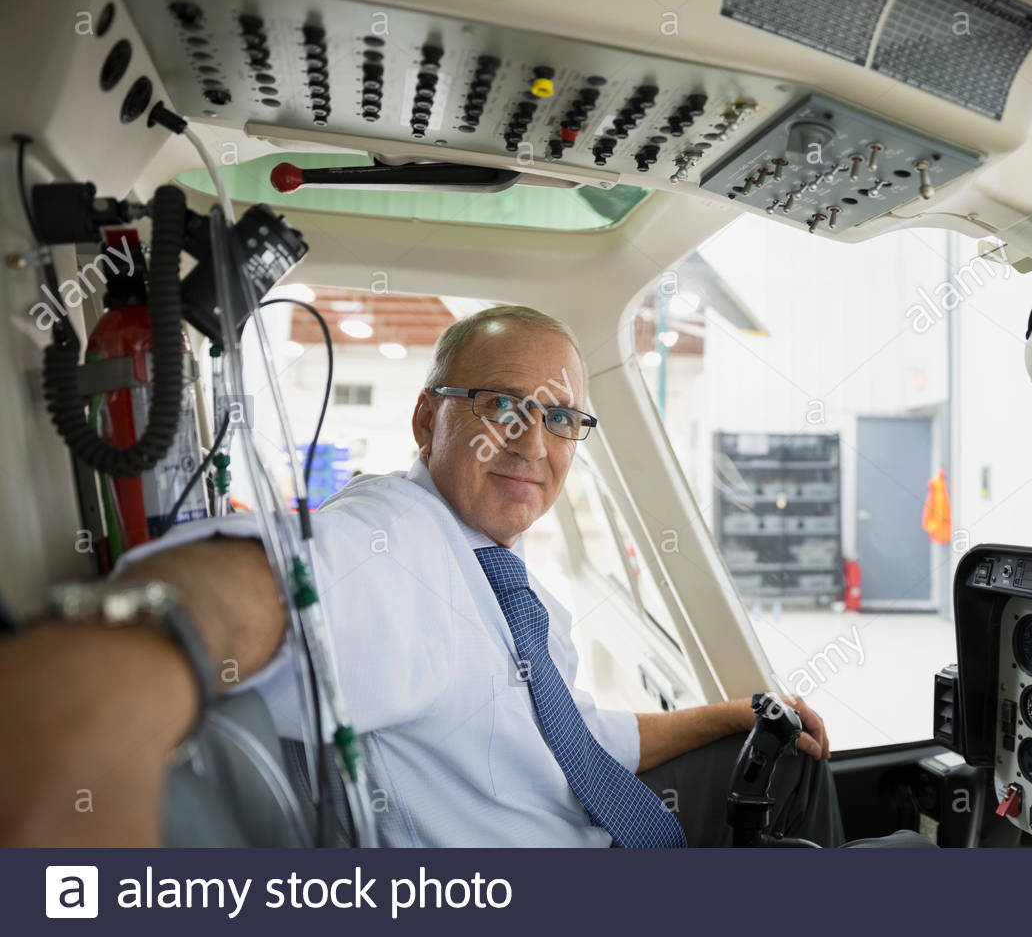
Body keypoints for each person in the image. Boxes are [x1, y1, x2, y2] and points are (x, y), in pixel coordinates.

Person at [0, 305, 844, 848]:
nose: (535, 443)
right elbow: (271, 583)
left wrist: (736, 712)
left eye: (561, 418)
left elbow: (581, 738)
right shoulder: (390, 539)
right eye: (503, 405)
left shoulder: (510, 582)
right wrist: (100, 688)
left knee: (787, 760)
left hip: (592, 827)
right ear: (426, 417)